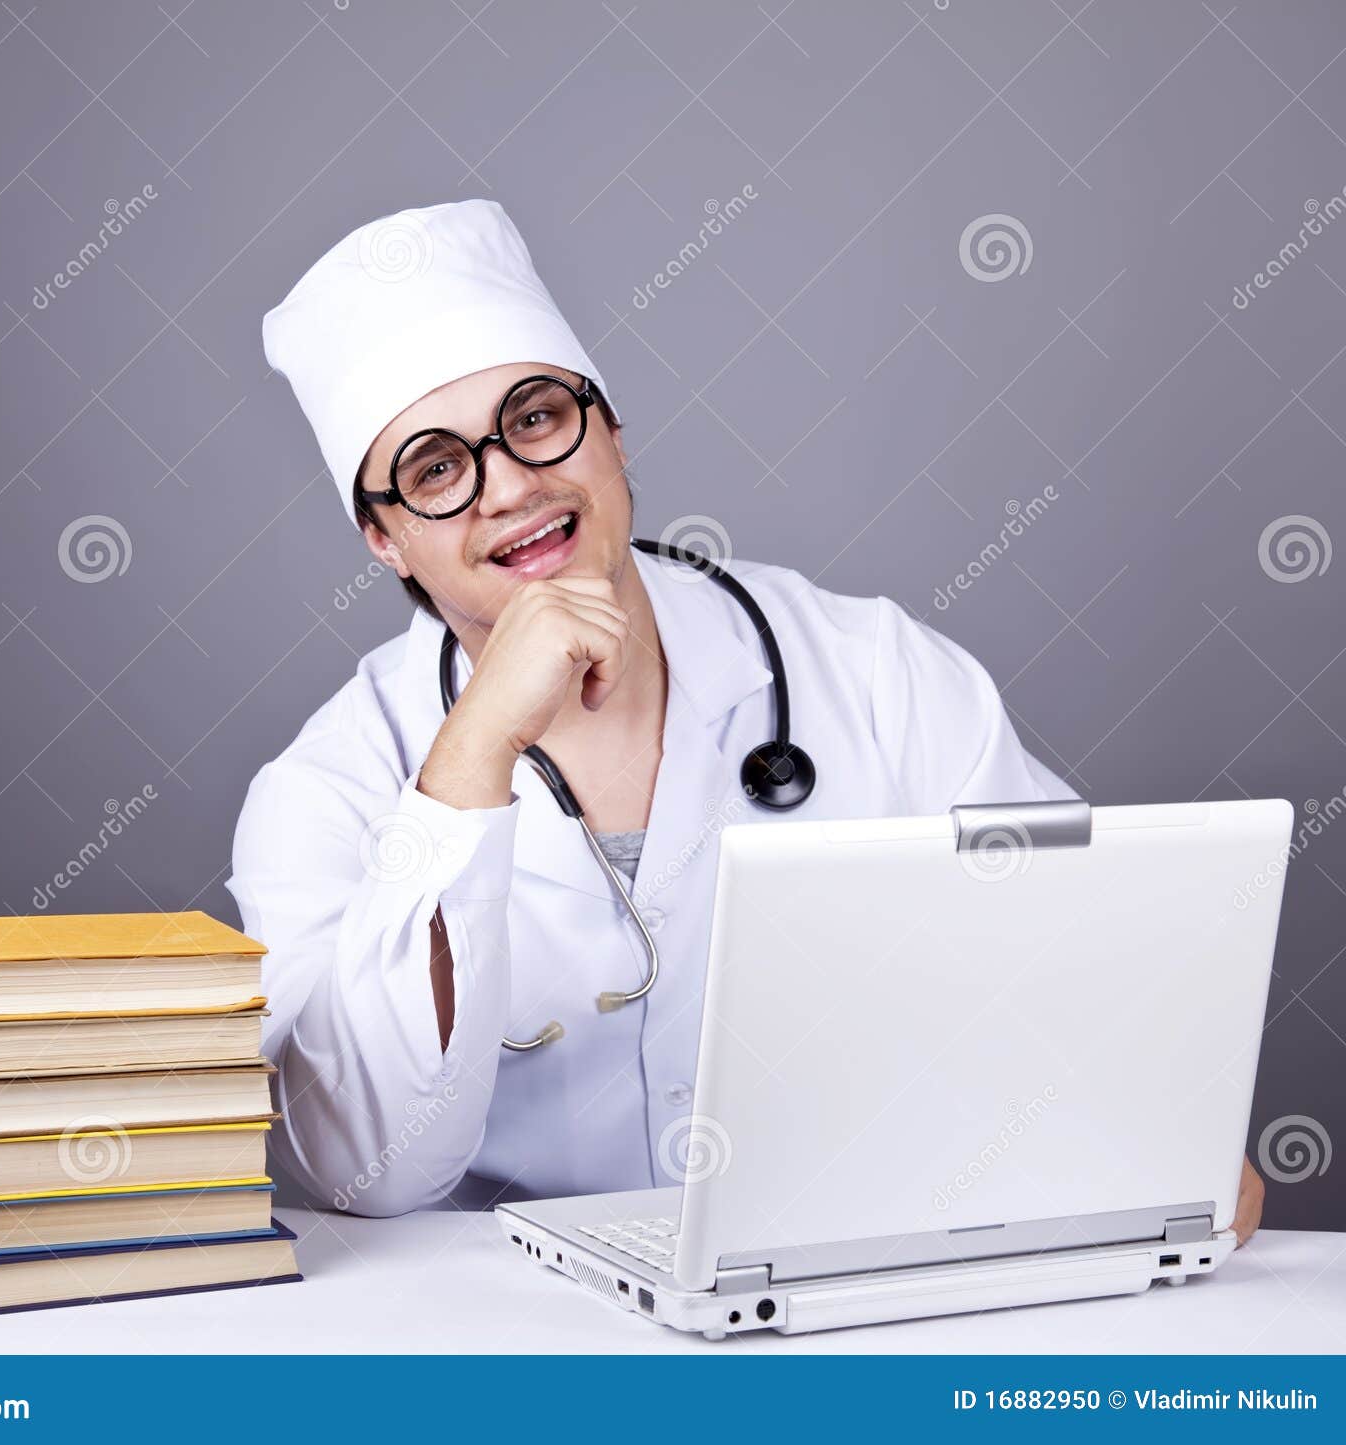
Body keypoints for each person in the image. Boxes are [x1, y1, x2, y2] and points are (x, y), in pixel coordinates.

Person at [231, 200, 1263, 1241]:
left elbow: (1081, 976)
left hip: (863, 1295)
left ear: (611, 427)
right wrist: (473, 753)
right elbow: (362, 1173)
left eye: (536, 416)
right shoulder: (324, 790)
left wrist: (1161, 1123)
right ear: (383, 537)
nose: (509, 485)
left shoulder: (874, 673)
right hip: (516, 1348)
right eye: (437, 470)